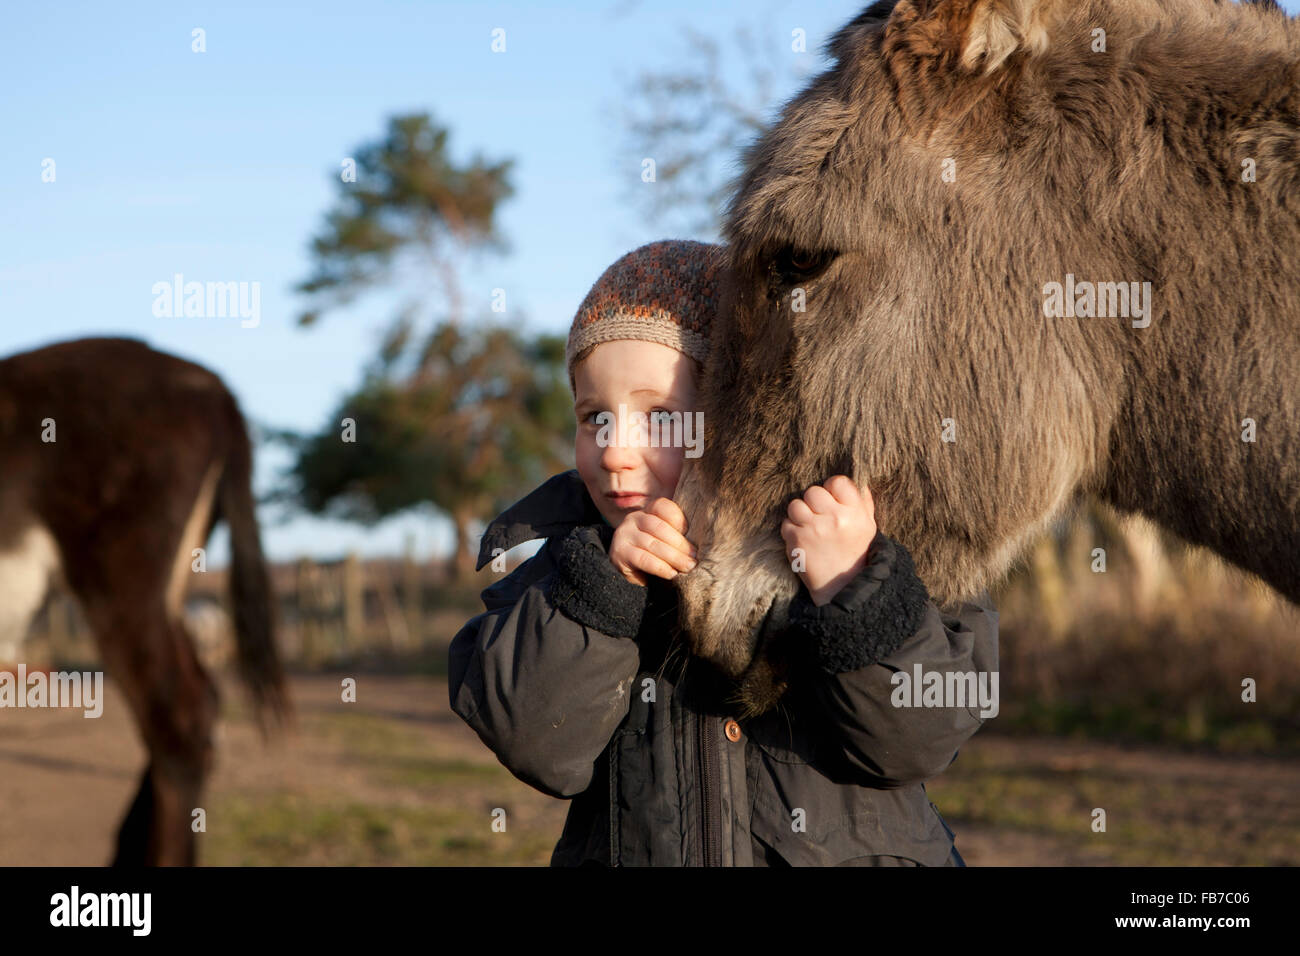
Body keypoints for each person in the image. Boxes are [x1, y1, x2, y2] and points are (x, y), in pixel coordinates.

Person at [448, 238, 999, 865]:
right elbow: (535, 742)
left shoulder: (869, 547)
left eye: (659, 417)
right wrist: (604, 591)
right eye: (594, 418)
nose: (614, 451)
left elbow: (920, 740)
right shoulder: (573, 571)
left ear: (743, 415)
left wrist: (852, 589)